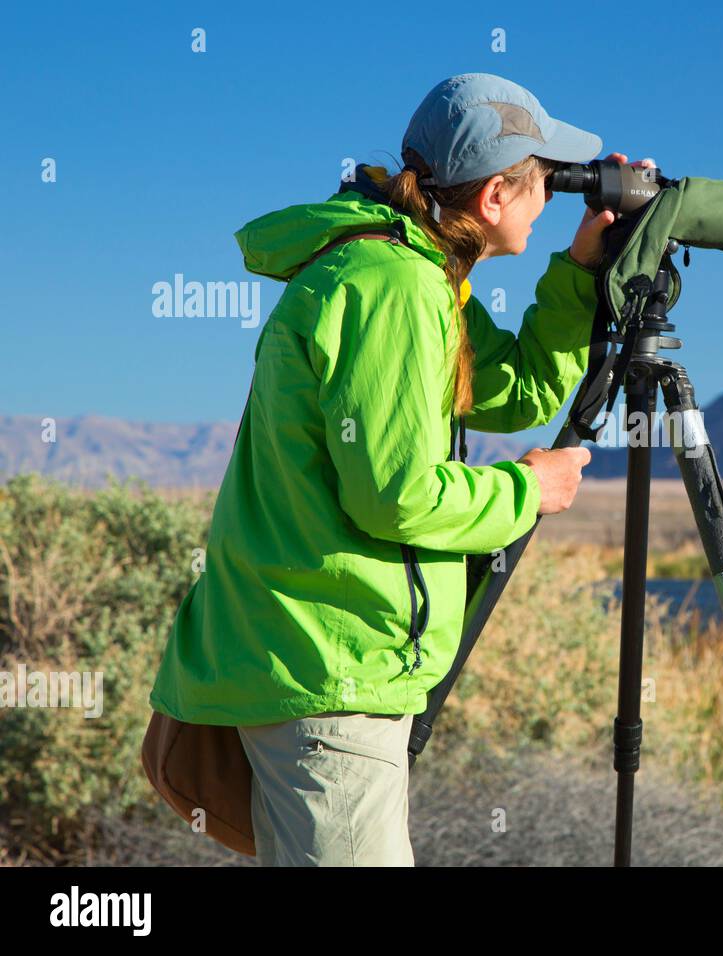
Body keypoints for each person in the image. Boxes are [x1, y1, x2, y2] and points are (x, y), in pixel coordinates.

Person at [149, 72, 653, 865]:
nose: (553, 197)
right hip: (331, 676)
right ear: (493, 197)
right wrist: (528, 490)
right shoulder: (392, 286)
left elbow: (517, 388)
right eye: (546, 182)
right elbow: (397, 496)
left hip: (314, 665)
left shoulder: (410, 273)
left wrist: (583, 270)